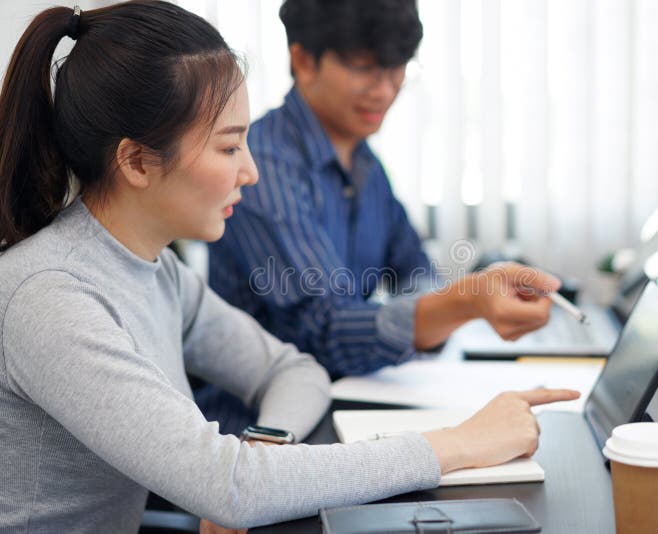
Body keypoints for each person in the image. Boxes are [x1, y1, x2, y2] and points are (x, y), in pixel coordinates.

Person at [0, 2, 579, 531]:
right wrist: (458, 444)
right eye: (229, 148)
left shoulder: (157, 272)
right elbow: (227, 485)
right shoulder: (51, 297)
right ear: (137, 160)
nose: (251, 173)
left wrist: (262, 449)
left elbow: (292, 370)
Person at [208, 0, 559, 377]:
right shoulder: (263, 167)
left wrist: (454, 300)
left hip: (344, 396)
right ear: (304, 61)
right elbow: (325, 331)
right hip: (262, 418)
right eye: (365, 68)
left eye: (397, 70)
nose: (384, 90)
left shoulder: (366, 166)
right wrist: (463, 302)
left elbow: (414, 268)